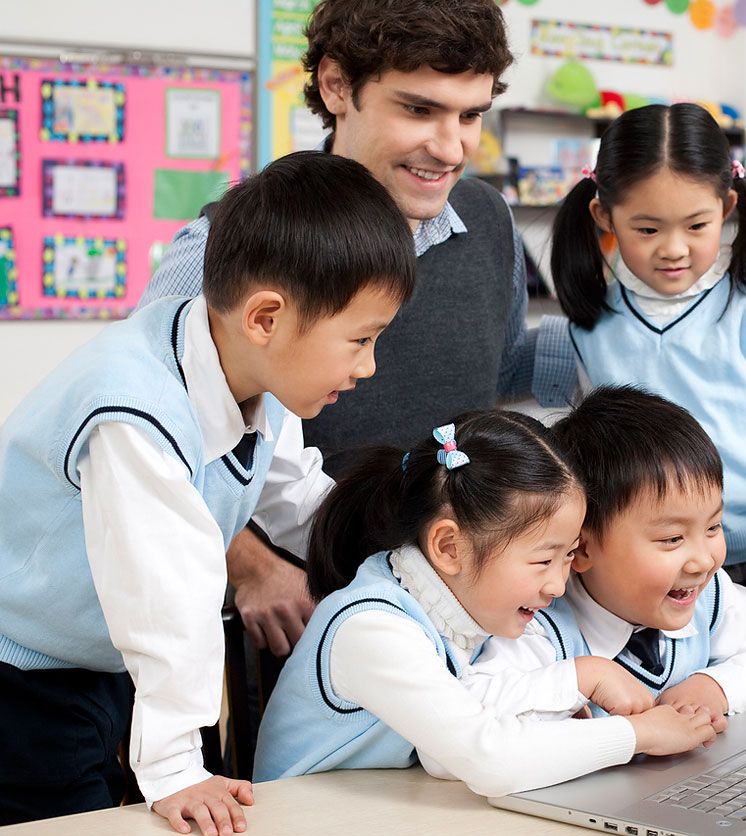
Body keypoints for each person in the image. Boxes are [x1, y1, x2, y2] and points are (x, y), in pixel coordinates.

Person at [139, 0, 577, 659]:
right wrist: (253, 568)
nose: (451, 147)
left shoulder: (488, 220)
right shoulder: (227, 245)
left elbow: (500, 359)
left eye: (469, 114)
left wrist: (644, 338)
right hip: (305, 612)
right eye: (419, 110)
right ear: (337, 86)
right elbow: (146, 446)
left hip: (463, 607)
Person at [0, 151, 416, 831]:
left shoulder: (254, 373)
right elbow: (162, 593)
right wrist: (175, 770)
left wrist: (408, 558)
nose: (367, 366)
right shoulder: (135, 410)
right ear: (265, 318)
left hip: (101, 663)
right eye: (360, 339)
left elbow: (291, 493)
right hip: (25, 679)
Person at [253, 412, 718, 794]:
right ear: (449, 548)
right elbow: (490, 757)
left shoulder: (455, 611)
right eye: (543, 560)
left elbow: (461, 736)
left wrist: (575, 681)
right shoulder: (373, 627)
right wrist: (641, 733)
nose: (558, 585)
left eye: (569, 556)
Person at [549, 102, 746, 648]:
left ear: (728, 207)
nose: (673, 249)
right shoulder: (586, 325)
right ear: (603, 217)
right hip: (638, 583)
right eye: (647, 228)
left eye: (697, 226)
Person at [475, 387, 746, 725]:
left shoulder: (709, 599)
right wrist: (579, 680)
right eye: (672, 539)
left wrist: (714, 687)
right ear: (582, 549)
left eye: (713, 527)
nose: (703, 560)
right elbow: (468, 720)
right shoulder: (541, 627)